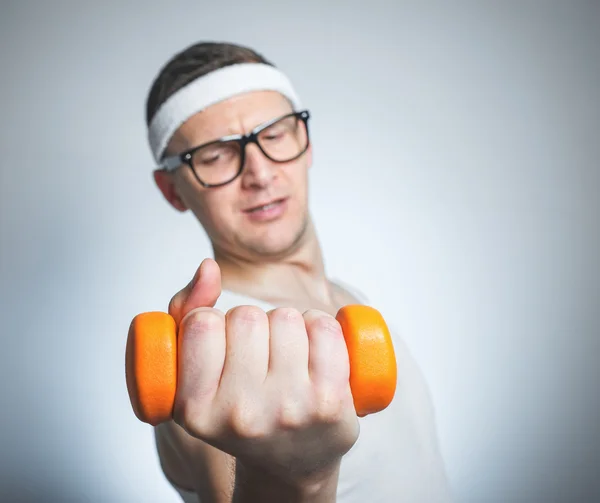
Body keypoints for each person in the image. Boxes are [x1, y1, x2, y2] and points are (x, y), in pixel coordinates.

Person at [143, 41, 453, 502]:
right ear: (173, 191)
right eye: (215, 155)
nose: (260, 173)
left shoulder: (350, 298)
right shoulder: (208, 358)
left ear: (305, 143)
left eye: (274, 134)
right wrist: (296, 480)